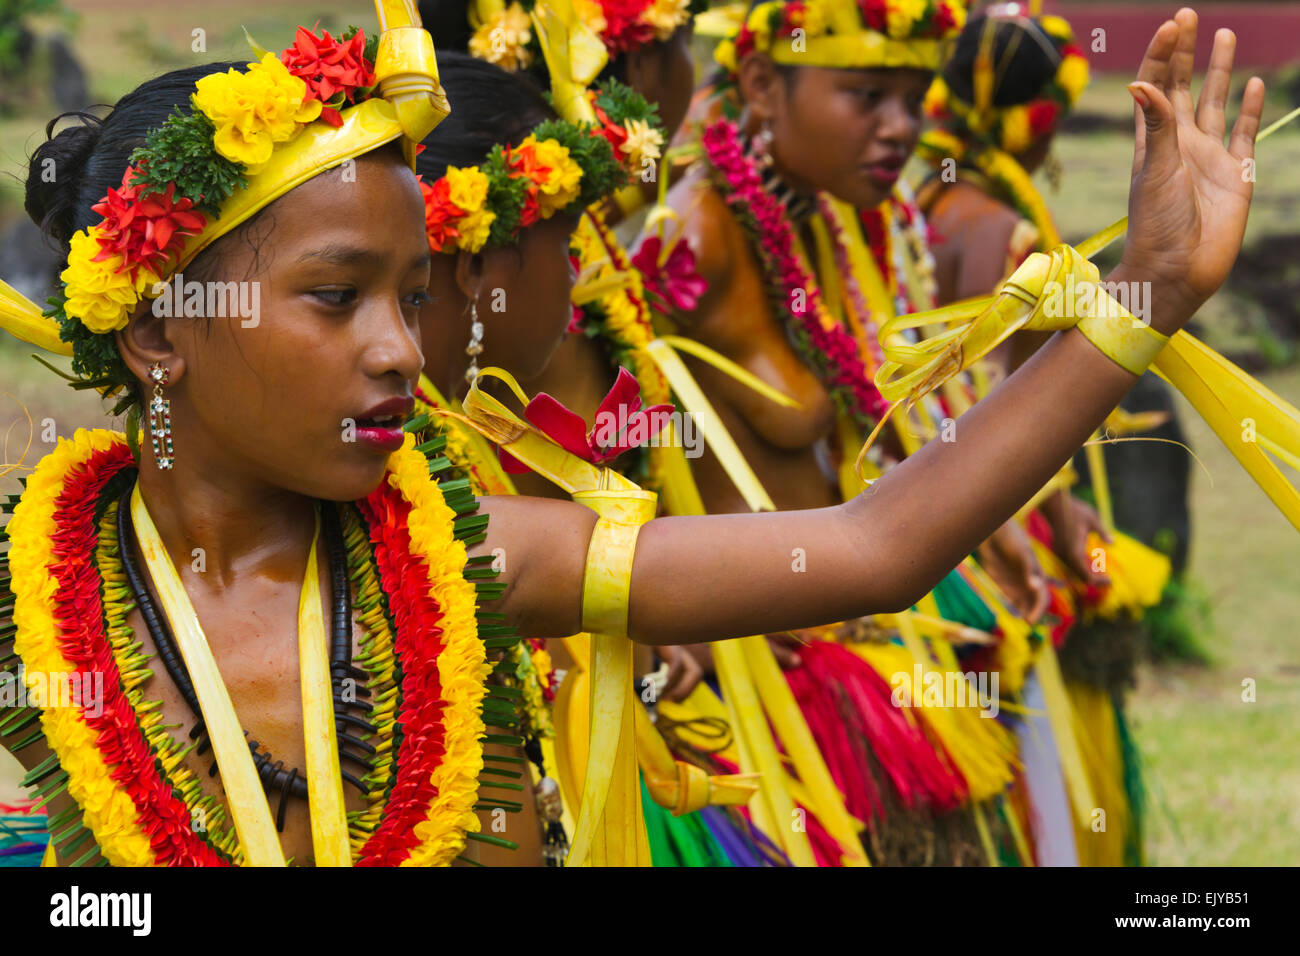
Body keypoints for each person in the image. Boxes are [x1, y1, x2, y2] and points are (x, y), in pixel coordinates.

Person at [0, 4, 1266, 866]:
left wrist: (1143, 294)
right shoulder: (27, 609)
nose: (399, 349)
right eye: (339, 297)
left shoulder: (479, 551)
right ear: (162, 331)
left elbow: (875, 547)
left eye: (414, 293)